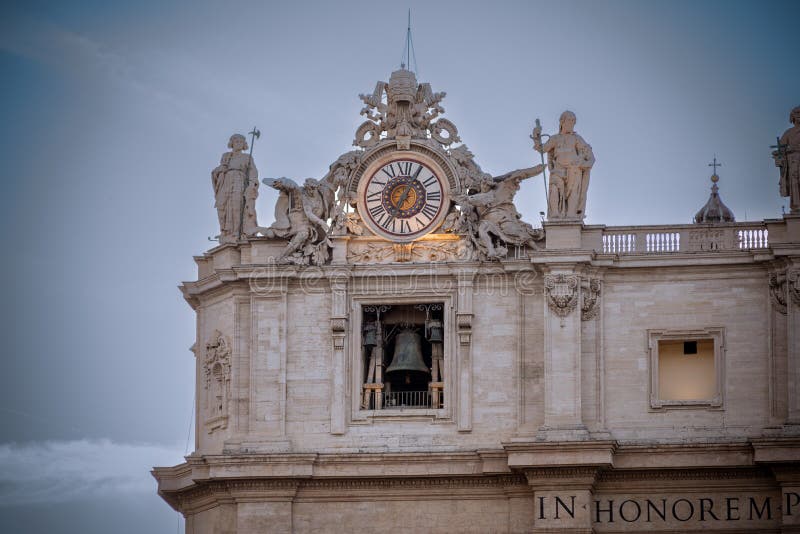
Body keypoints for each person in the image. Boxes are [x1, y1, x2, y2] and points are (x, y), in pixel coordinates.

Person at [533, 111, 595, 219]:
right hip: (557, 169)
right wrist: (536, 136)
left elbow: (589, 155)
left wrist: (583, 164)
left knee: (573, 193)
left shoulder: (577, 138)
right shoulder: (555, 138)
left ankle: (571, 216)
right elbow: (542, 149)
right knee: (554, 189)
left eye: (573, 122)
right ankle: (555, 215)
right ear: (562, 121)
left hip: (574, 169)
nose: (572, 124)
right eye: (570, 121)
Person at [211, 134, 260, 243]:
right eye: (236, 141)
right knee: (222, 205)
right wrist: (219, 170)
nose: (238, 143)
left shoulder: (247, 157)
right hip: (226, 181)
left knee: (236, 206)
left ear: (244, 145)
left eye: (240, 142)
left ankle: (236, 233)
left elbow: (253, 171)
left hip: (239, 180)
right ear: (232, 143)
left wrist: (252, 184)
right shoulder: (226, 156)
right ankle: (225, 231)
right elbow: (216, 172)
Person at [773, 106, 800, 214]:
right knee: (795, 182)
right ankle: (797, 206)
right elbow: (780, 150)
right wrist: (778, 157)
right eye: (797, 113)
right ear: (792, 117)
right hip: (793, 161)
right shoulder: (789, 133)